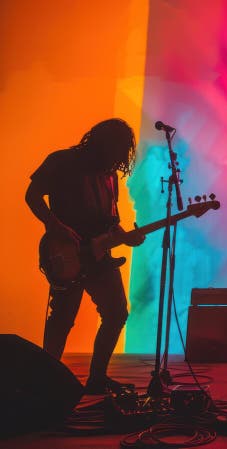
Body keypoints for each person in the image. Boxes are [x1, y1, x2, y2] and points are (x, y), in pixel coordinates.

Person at [26, 118, 144, 394]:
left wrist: (126, 237)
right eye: (116, 150)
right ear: (103, 144)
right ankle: (46, 382)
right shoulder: (62, 161)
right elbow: (32, 195)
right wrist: (54, 225)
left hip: (99, 257)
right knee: (63, 317)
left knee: (116, 313)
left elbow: (110, 222)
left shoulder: (109, 176)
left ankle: (97, 378)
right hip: (66, 254)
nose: (119, 158)